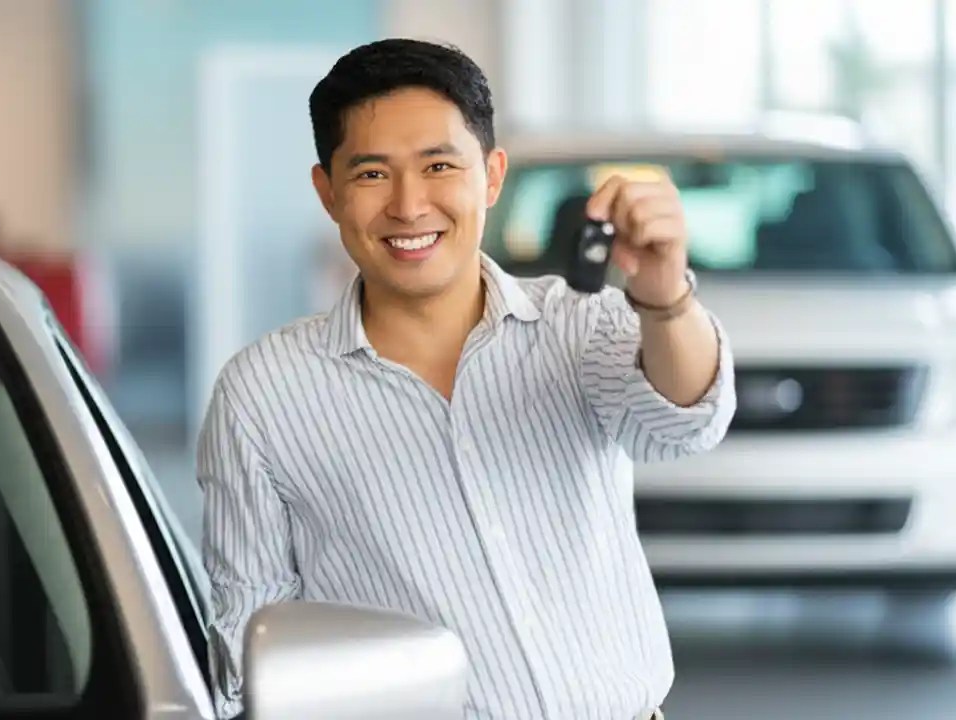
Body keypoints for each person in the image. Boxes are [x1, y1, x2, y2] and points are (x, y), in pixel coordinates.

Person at [196, 38, 735, 720]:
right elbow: (253, 642)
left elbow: (683, 422)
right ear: (327, 192)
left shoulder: (577, 325)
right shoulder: (262, 394)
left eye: (439, 165)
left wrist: (664, 298)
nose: (409, 205)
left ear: (492, 175)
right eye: (370, 175)